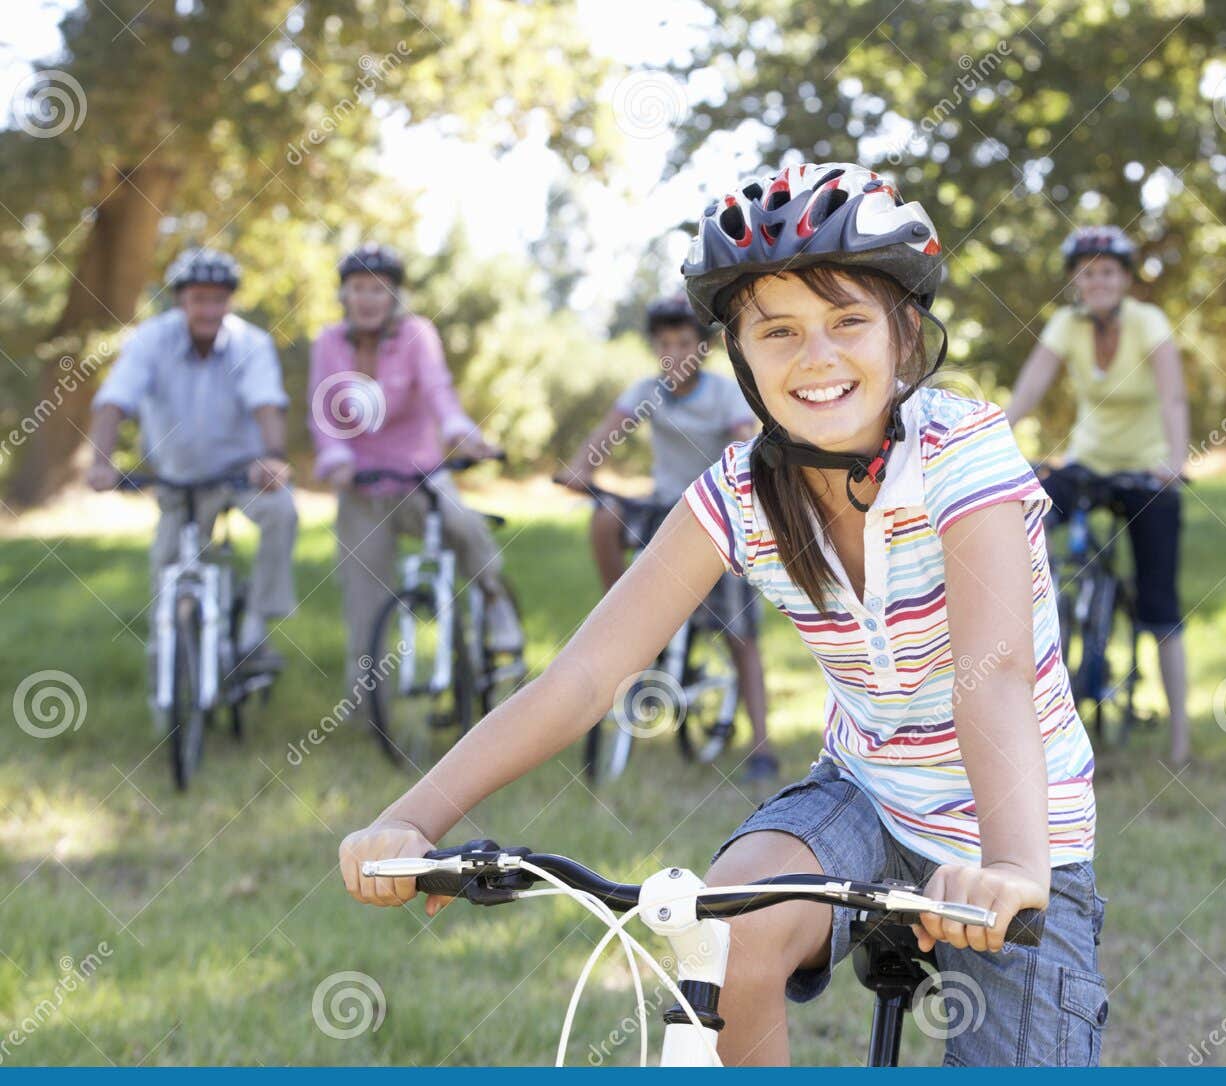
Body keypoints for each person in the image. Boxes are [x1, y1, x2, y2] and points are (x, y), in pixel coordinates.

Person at [340, 162, 1106, 1067]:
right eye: (778, 331)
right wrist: (416, 819)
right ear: (741, 355)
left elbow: (997, 673)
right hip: (864, 791)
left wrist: (1014, 866)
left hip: (1014, 823)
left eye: (847, 321)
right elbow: (585, 676)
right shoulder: (740, 494)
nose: (816, 357)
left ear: (904, 334)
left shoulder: (962, 453)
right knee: (720, 928)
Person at [556, 293, 777, 781]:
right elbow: (594, 448)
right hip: (665, 508)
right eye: (664, 345)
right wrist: (579, 471)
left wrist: (740, 451)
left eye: (685, 343)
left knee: (740, 634)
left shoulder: (725, 393)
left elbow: (747, 446)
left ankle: (761, 745)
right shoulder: (646, 390)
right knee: (606, 515)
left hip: (721, 511)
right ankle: (625, 610)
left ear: (704, 348)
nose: (675, 355)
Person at [1005, 225, 1192, 766]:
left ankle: (1180, 740)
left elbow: (1174, 397)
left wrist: (1176, 461)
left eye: (1108, 271)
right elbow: (1030, 388)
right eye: (1086, 273)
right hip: (1087, 461)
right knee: (1022, 519)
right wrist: (992, 438)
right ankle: (1036, 631)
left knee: (1161, 603)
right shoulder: (1067, 324)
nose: (1098, 281)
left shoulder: (1148, 322)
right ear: (1075, 282)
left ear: (1126, 279)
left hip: (1145, 470)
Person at [307, 242, 522, 688]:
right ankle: (368, 710)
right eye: (358, 289)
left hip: (419, 476)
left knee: (465, 528)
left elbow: (438, 391)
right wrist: (336, 459)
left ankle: (496, 602)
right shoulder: (328, 343)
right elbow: (323, 413)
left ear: (394, 297)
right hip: (361, 485)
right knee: (364, 602)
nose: (367, 299)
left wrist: (461, 433)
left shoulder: (417, 334)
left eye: (378, 290)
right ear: (344, 296)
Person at [87, 246, 297, 676]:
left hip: (240, 474)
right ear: (181, 299)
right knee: (166, 570)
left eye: (218, 299)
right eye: (199, 298)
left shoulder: (250, 343)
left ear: (230, 301)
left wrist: (273, 459)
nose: (208, 308)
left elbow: (267, 405)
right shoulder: (150, 339)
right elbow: (113, 401)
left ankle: (254, 628)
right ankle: (167, 671)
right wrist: (100, 463)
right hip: (176, 479)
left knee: (282, 512)